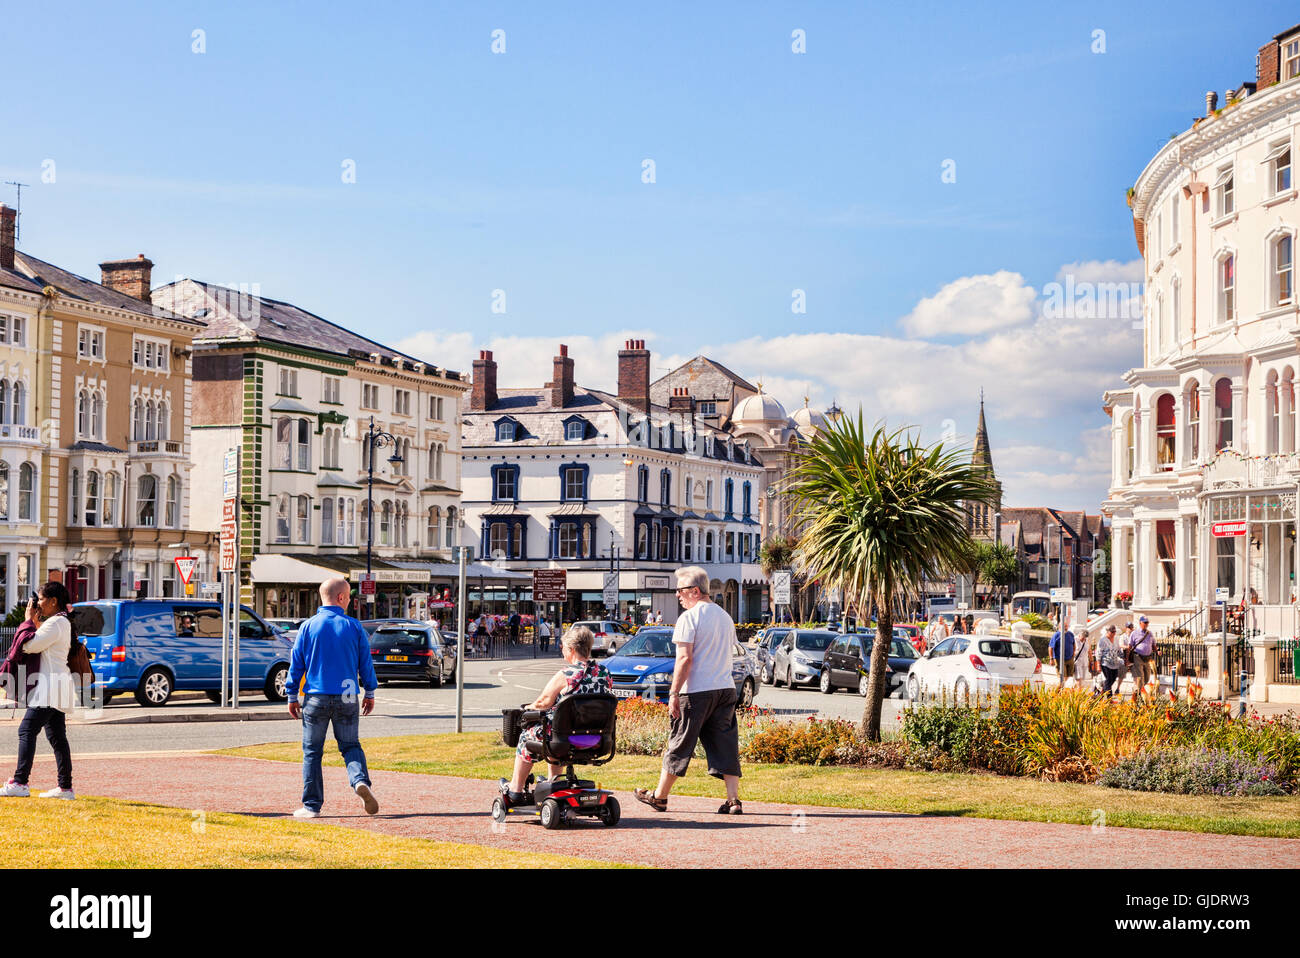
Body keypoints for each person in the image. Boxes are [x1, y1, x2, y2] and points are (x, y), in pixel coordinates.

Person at [634, 565, 743, 815]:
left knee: (680, 741)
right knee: (726, 743)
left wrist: (673, 693)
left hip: (696, 691)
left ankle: (660, 797)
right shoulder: (724, 617)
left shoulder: (689, 618)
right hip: (725, 688)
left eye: (680, 590)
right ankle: (733, 799)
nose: (677, 595)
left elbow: (684, 659)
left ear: (695, 591)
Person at [286, 577, 379, 819]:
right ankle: (359, 780)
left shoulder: (308, 627)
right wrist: (369, 691)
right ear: (340, 597)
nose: (349, 600)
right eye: (348, 596)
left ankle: (311, 805)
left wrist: (292, 694)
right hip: (348, 694)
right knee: (350, 745)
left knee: (312, 751)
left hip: (315, 695)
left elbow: (297, 663)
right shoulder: (353, 626)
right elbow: (365, 663)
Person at [499, 626, 610, 806]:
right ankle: (554, 781)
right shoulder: (604, 673)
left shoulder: (567, 674)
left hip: (565, 737)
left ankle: (516, 789)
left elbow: (543, 702)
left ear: (572, 650)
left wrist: (528, 708)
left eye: (564, 648)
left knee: (528, 736)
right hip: (596, 737)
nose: (563, 651)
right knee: (557, 727)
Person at [1, 582, 78, 800]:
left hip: (50, 688)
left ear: (54, 601)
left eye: (42, 599)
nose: (38, 603)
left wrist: (28, 621)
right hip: (56, 686)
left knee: (26, 731)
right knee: (57, 738)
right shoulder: (59, 621)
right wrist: (34, 622)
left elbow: (28, 646)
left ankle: (20, 782)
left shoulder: (55, 623)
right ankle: (65, 788)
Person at [1128, 614, 1156, 695]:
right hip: (1138, 657)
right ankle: (1141, 694)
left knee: (1147, 677)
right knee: (1140, 676)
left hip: (1147, 658)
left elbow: (1153, 644)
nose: (1146, 624)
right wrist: (1127, 659)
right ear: (1140, 623)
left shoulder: (1149, 633)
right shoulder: (1134, 633)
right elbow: (1130, 646)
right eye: (1145, 623)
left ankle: (1136, 689)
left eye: (1147, 623)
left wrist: (1157, 651)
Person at [1096, 624, 1123, 697]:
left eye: (1114, 632)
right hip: (1105, 663)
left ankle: (1102, 690)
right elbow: (1098, 653)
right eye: (1112, 632)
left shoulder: (1116, 639)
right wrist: (1098, 665)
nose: (1113, 633)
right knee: (1108, 679)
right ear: (1107, 632)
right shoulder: (1103, 640)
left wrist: (1124, 658)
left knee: (1113, 679)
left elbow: (1118, 650)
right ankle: (1109, 698)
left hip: (1114, 663)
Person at [1048, 619, 1075, 689]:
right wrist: (1051, 658)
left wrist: (1073, 654)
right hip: (1059, 659)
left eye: (1067, 626)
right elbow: (1051, 647)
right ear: (1060, 627)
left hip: (1070, 658)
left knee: (1069, 676)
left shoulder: (1070, 634)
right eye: (1064, 626)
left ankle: (1059, 688)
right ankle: (1058, 690)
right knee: (1062, 676)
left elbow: (1073, 644)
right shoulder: (1056, 635)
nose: (1066, 628)